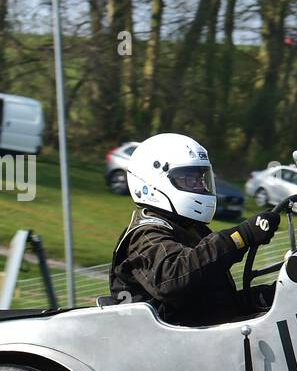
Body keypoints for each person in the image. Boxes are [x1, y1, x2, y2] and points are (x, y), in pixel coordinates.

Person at [109, 133, 281, 326]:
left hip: (202, 336)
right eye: (190, 180)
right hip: (169, 348)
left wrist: (279, 294)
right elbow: (173, 277)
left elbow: (214, 304)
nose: (200, 186)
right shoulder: (145, 236)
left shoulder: (190, 229)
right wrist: (240, 237)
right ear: (153, 182)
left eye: (201, 180)